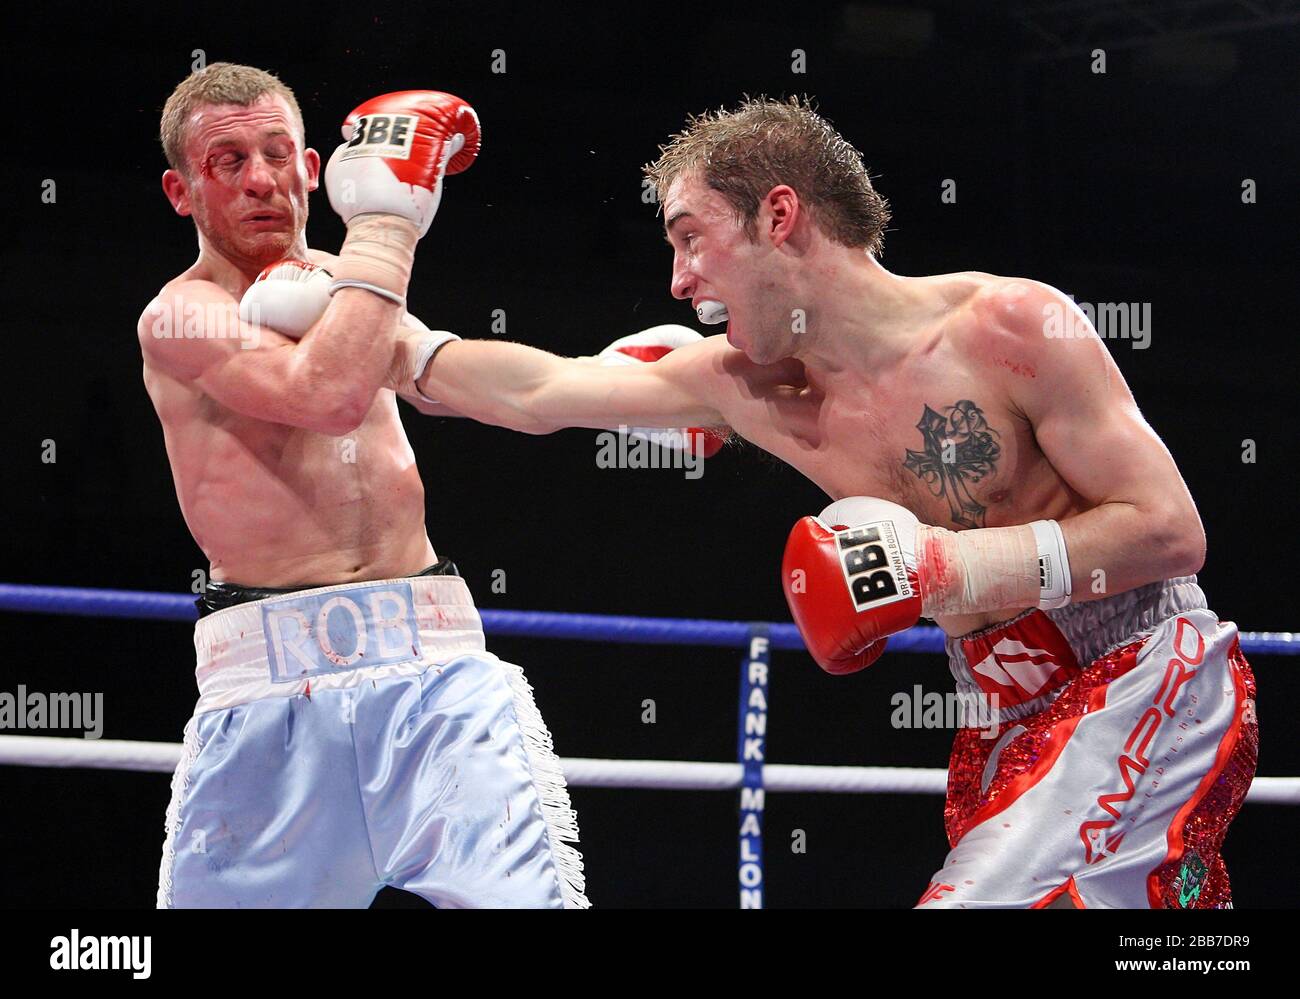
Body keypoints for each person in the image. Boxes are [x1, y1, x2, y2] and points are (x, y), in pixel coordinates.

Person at [400, 96, 1258, 909]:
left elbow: (1171, 531)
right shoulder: (748, 388)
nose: (677, 279)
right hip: (1003, 717)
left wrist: (950, 565)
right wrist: (370, 283)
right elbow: (538, 389)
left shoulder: (1010, 327)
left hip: (1144, 673)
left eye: (692, 238)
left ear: (779, 216)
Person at [139, 62, 585, 908]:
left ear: (313, 169)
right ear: (181, 190)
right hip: (269, 691)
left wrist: (634, 396)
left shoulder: (352, 296)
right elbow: (327, 396)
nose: (261, 178)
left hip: (435, 668)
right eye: (228, 161)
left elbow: (462, 376)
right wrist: (390, 223)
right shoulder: (178, 318)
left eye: (277, 152)